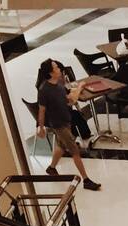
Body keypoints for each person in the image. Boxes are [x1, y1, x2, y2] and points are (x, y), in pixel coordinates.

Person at [36, 59, 102, 190]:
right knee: (75, 151)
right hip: (58, 125)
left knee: (61, 146)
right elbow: (42, 110)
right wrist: (41, 127)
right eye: (56, 68)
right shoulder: (44, 90)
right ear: (50, 72)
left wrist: (78, 89)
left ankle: (51, 168)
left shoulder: (59, 85)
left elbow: (69, 101)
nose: (59, 69)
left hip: (66, 121)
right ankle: (86, 180)